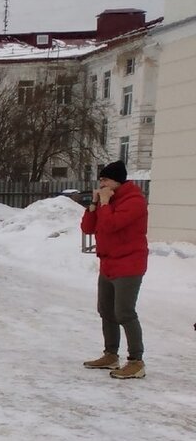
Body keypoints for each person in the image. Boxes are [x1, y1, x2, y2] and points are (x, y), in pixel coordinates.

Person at [80, 161, 149, 379]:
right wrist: (94, 204)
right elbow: (88, 228)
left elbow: (110, 226)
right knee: (106, 311)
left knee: (124, 313)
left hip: (129, 264)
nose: (101, 184)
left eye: (106, 180)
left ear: (118, 181)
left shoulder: (134, 201)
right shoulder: (105, 202)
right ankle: (111, 354)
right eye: (100, 180)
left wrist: (105, 203)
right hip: (108, 263)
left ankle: (136, 361)